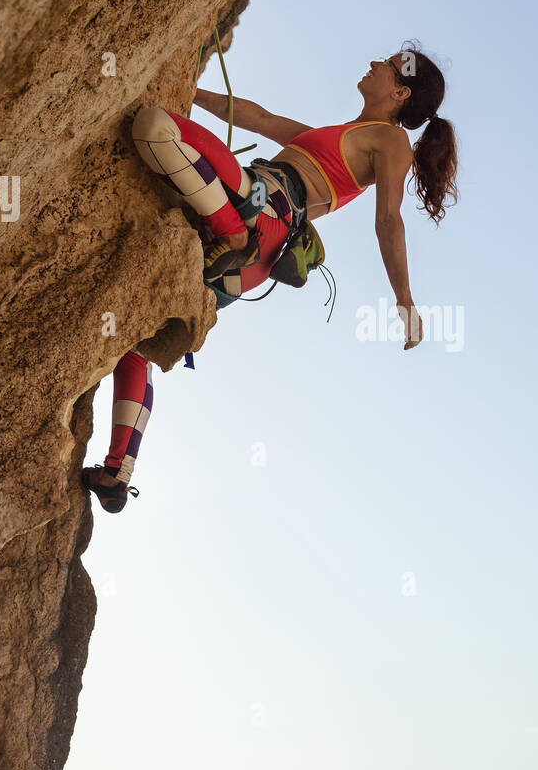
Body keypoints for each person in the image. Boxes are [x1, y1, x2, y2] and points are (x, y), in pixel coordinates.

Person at [81, 46, 458, 512]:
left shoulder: (391, 141)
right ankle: (119, 473)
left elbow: (388, 219)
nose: (375, 62)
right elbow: (258, 117)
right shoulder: (338, 135)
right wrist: (185, 82)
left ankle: (231, 231)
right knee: (138, 340)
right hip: (258, 254)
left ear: (400, 92)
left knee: (154, 127)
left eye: (390, 64)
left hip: (264, 208)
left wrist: (404, 299)